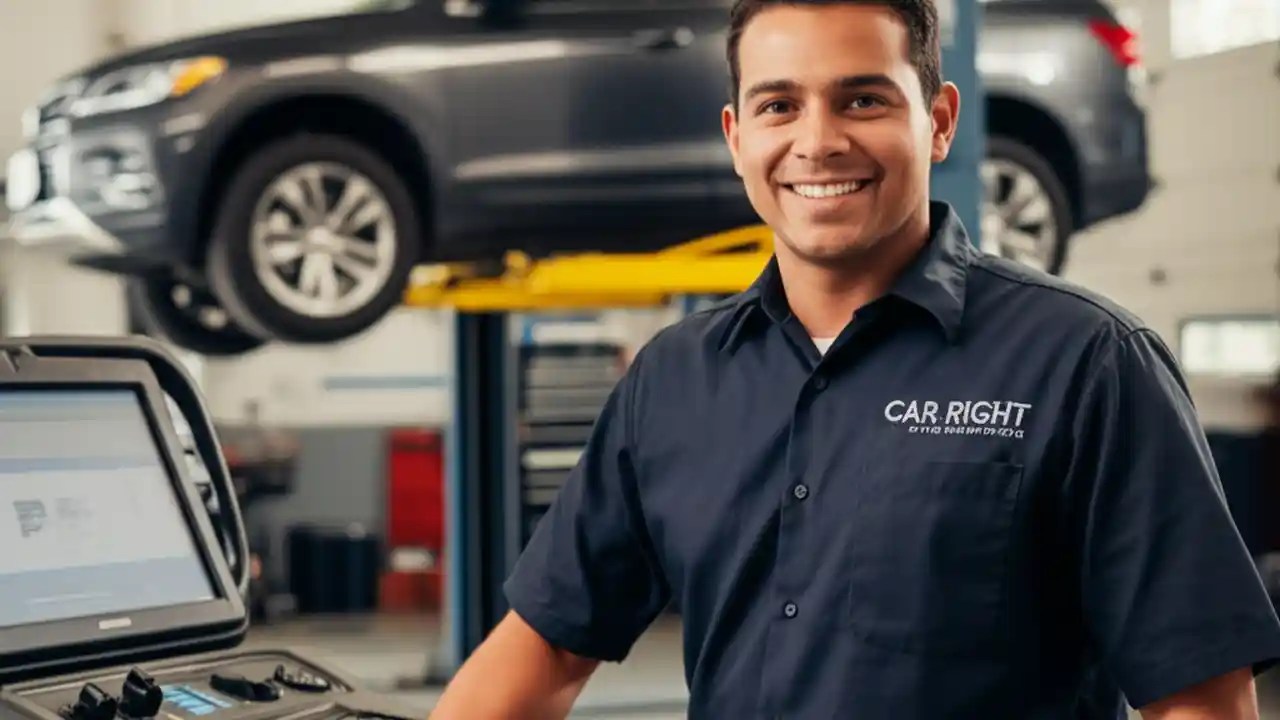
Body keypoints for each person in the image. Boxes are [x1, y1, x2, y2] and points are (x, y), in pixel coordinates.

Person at [429, 0, 1280, 717]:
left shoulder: (1087, 366)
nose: (819, 141)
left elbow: (1198, 699)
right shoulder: (673, 381)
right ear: (736, 136)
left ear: (939, 121)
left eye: (863, 100)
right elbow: (544, 649)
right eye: (778, 106)